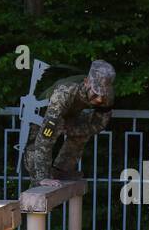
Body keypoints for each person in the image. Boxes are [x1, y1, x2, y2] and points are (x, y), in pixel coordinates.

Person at [25, 59, 116, 189]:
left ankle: (62, 170)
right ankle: (38, 182)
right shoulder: (64, 93)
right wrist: (42, 177)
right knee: (39, 146)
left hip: (69, 116)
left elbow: (99, 123)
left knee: (85, 129)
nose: (100, 99)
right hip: (44, 114)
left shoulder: (107, 95)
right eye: (96, 93)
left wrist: (74, 130)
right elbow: (45, 137)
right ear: (86, 82)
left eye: (103, 94)